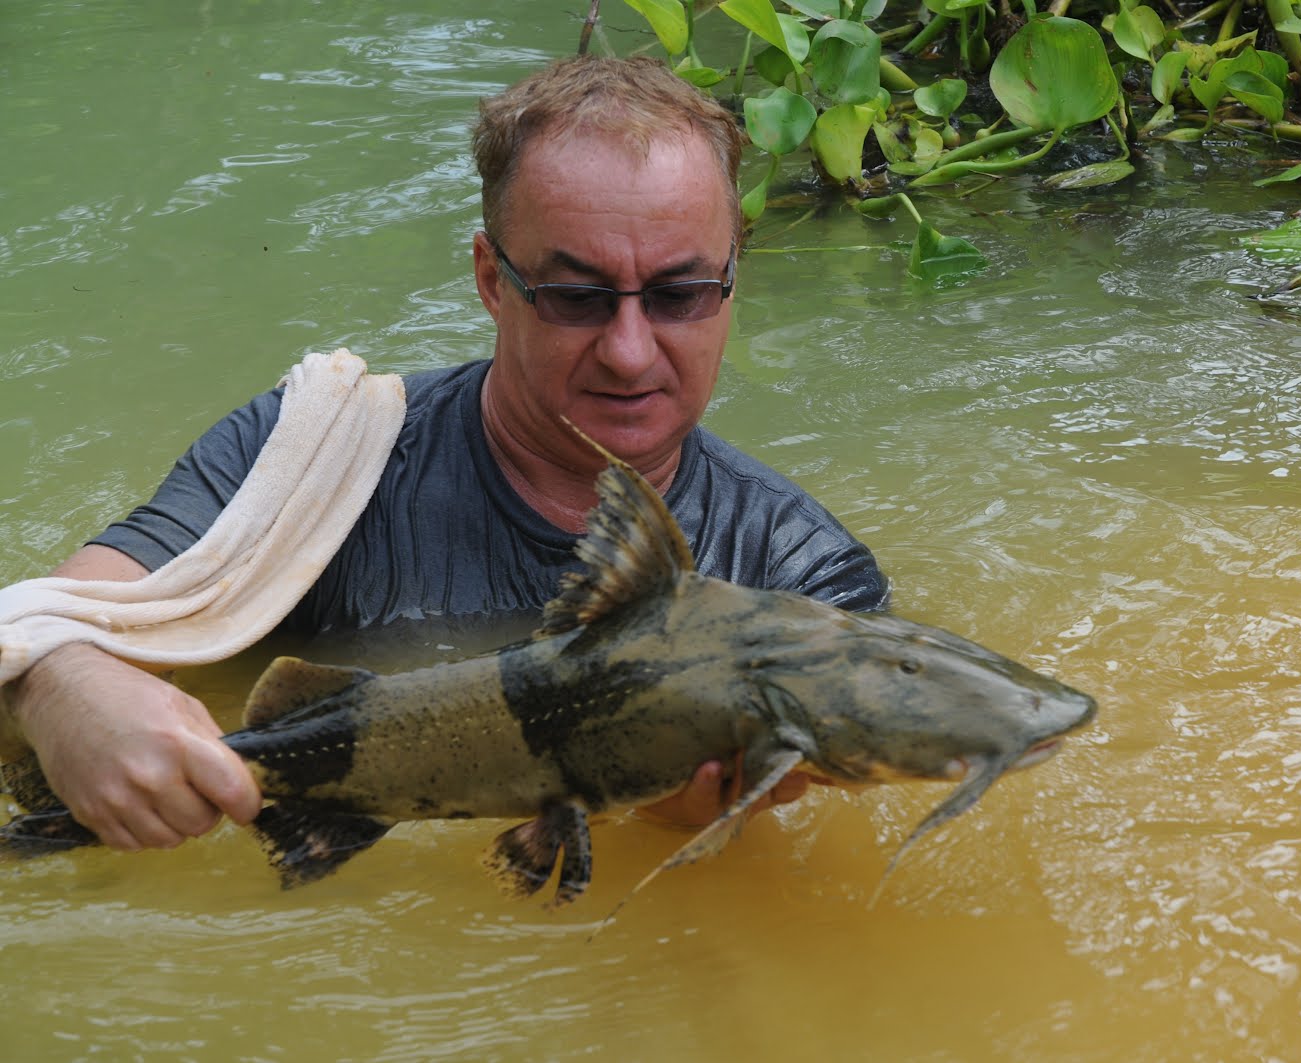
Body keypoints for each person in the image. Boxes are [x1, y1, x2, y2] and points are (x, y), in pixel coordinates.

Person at [5, 56, 887, 854]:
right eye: (575, 296)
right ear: (491, 281)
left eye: (679, 293)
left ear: (735, 281)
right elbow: (41, 621)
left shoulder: (804, 579)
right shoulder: (312, 459)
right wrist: (65, 691)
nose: (629, 349)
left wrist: (656, 806)